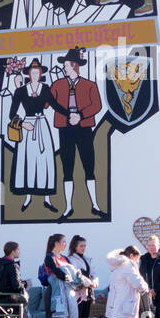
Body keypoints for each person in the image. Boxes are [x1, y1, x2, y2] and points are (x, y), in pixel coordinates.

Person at [48, 48, 106, 221]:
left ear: (74, 65)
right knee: (67, 168)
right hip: (65, 128)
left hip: (84, 127)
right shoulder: (57, 85)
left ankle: (95, 205)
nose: (64, 68)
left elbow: (97, 105)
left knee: (89, 166)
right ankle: (68, 208)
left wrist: (80, 115)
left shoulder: (89, 85)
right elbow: (46, 103)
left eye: (66, 65)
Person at [7, 58, 59, 213]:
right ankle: (28, 196)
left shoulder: (46, 88)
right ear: (29, 74)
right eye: (33, 72)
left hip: (42, 124)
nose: (35, 74)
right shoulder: (21, 91)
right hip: (28, 125)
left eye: (37, 72)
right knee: (28, 160)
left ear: (40, 73)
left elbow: (55, 106)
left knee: (45, 159)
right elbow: (12, 114)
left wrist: (71, 114)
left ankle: (47, 199)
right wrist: (23, 124)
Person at [43, 233, 73, 318]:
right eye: (63, 242)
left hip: (65, 293)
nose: (65, 244)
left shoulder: (65, 258)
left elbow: (72, 273)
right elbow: (59, 273)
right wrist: (67, 276)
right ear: (56, 243)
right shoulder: (49, 257)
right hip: (54, 293)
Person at [67, 235, 97, 318]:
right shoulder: (71, 259)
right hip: (78, 294)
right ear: (75, 246)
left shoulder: (87, 259)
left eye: (85, 245)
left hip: (87, 294)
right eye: (81, 246)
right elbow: (76, 275)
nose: (83, 248)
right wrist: (89, 282)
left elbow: (94, 273)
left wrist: (95, 281)